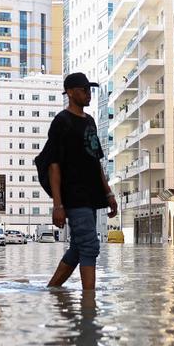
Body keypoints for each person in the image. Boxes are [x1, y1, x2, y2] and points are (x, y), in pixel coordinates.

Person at [45, 72, 118, 291]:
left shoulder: (91, 122)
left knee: (78, 246)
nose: (89, 94)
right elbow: (53, 165)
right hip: (73, 194)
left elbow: (96, 160)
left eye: (90, 90)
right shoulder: (61, 122)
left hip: (91, 194)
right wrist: (58, 205)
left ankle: (52, 290)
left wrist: (109, 193)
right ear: (70, 92)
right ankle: (89, 303)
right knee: (90, 245)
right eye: (84, 90)